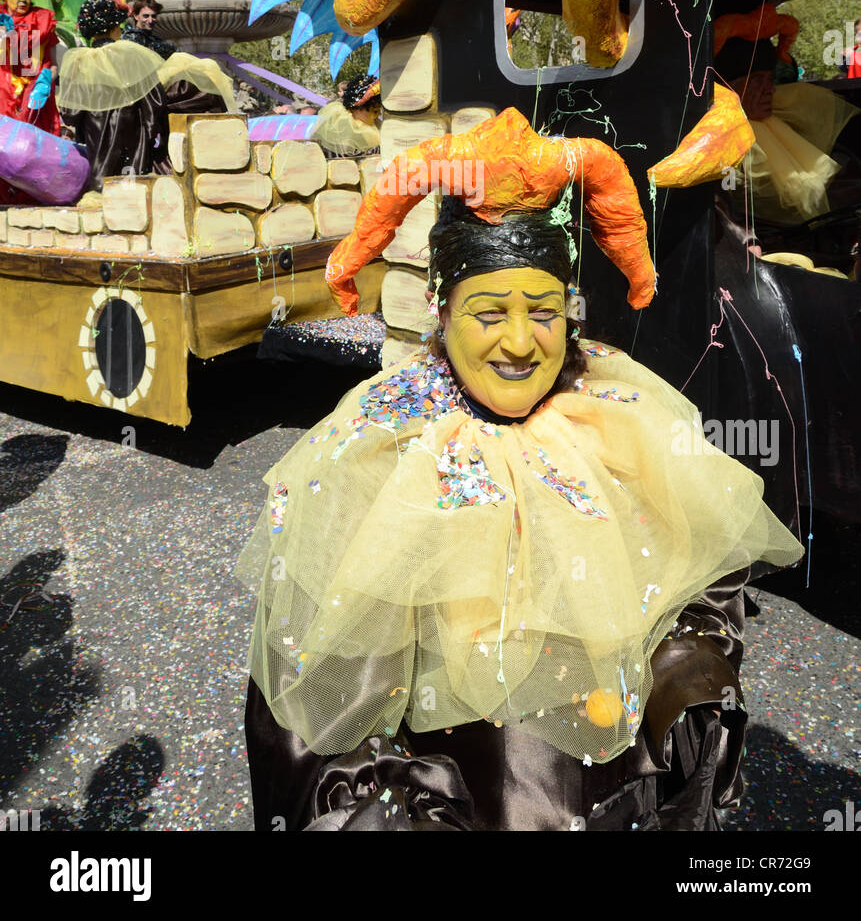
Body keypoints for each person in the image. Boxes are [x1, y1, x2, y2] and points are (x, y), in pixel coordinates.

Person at [238, 108, 801, 831]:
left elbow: (694, 580)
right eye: (486, 311)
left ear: (571, 313)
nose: (517, 341)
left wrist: (686, 679)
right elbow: (312, 681)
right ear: (441, 314)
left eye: (541, 310)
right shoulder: (376, 445)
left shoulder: (621, 418)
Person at [714, 9, 860, 223]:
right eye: (756, 80)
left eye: (769, 79)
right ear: (727, 86)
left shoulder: (777, 122)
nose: (770, 90)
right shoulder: (717, 137)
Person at [58, 0, 172, 190]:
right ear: (112, 28)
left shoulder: (80, 61)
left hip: (95, 132)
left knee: (103, 187)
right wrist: (154, 131)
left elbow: (71, 113)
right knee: (131, 189)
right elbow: (154, 99)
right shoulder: (130, 54)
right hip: (131, 131)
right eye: (118, 26)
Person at [0, 0, 61, 135]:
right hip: (3, 98)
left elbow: (54, 63)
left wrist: (47, 80)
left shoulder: (44, 20)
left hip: (35, 98)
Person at [310, 72, 381, 157]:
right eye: (375, 111)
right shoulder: (340, 125)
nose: (379, 114)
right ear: (358, 109)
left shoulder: (374, 126)